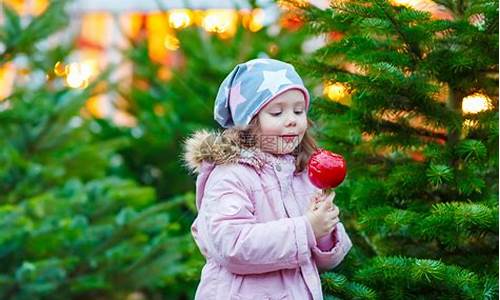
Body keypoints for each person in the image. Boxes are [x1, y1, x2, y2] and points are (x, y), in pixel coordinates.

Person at [182, 58, 352, 300]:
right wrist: (306, 229)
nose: (292, 119)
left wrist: (323, 228)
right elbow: (231, 246)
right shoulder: (231, 174)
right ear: (249, 123)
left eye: (298, 110)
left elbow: (326, 260)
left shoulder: (301, 172)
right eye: (276, 112)